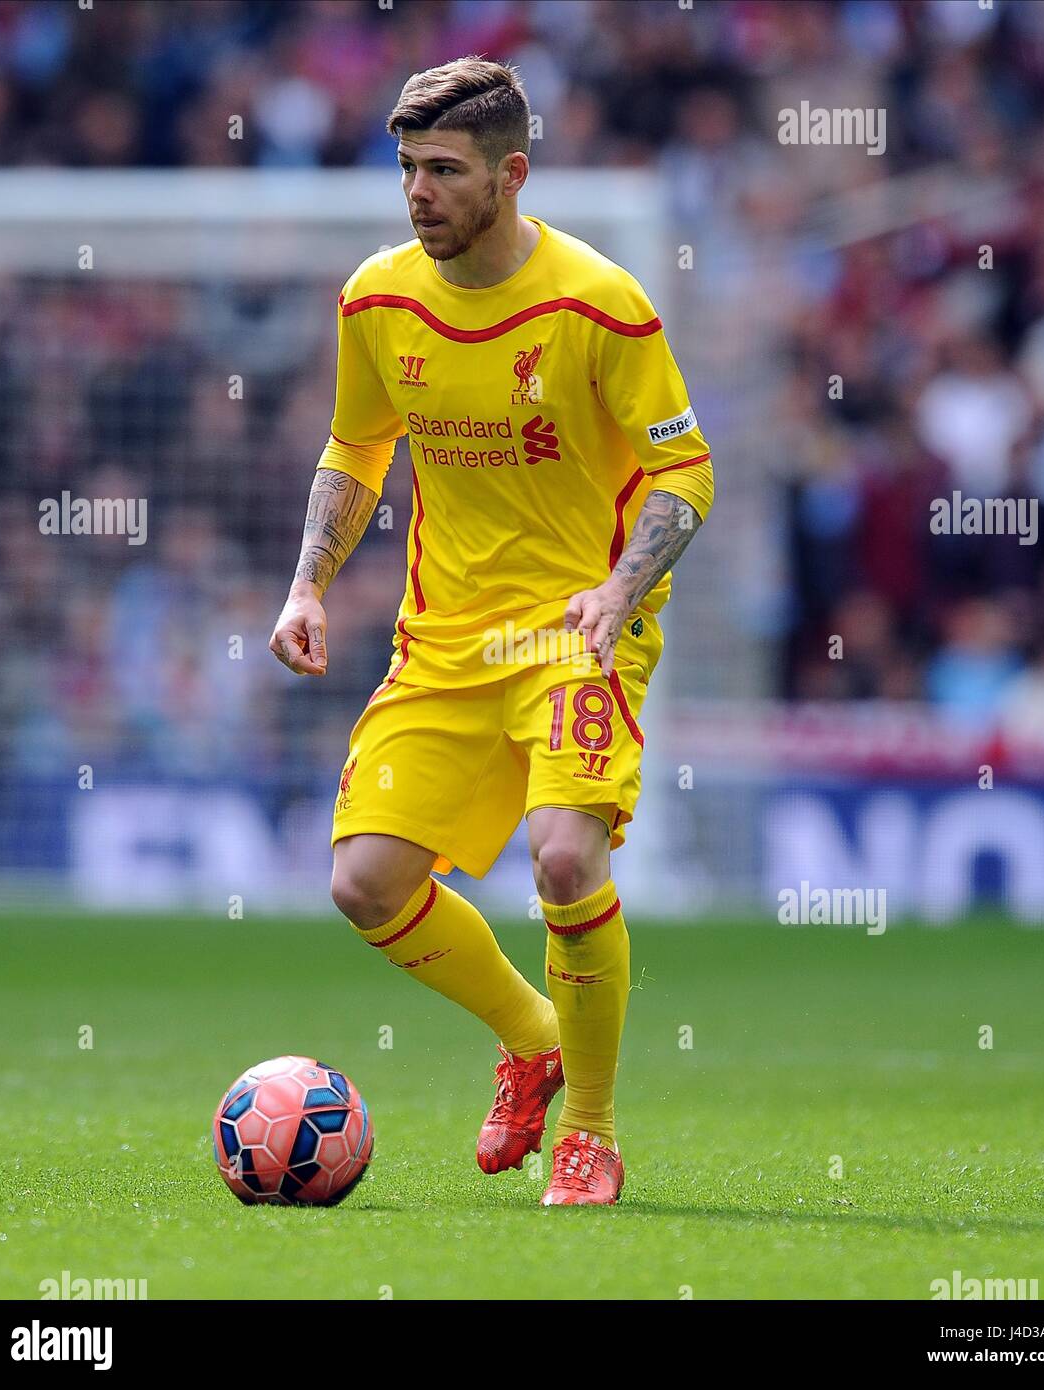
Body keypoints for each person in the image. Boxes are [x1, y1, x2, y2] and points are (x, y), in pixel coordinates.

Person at [269, 55, 714, 1206]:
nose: (418, 192)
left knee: (564, 854)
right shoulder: (377, 299)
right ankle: (530, 1036)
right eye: (408, 168)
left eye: (445, 171)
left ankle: (594, 1134)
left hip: (576, 627)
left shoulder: (599, 302)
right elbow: (358, 447)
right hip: (447, 636)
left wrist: (620, 591)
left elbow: (682, 468)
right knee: (364, 885)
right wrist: (308, 583)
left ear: (510, 175)